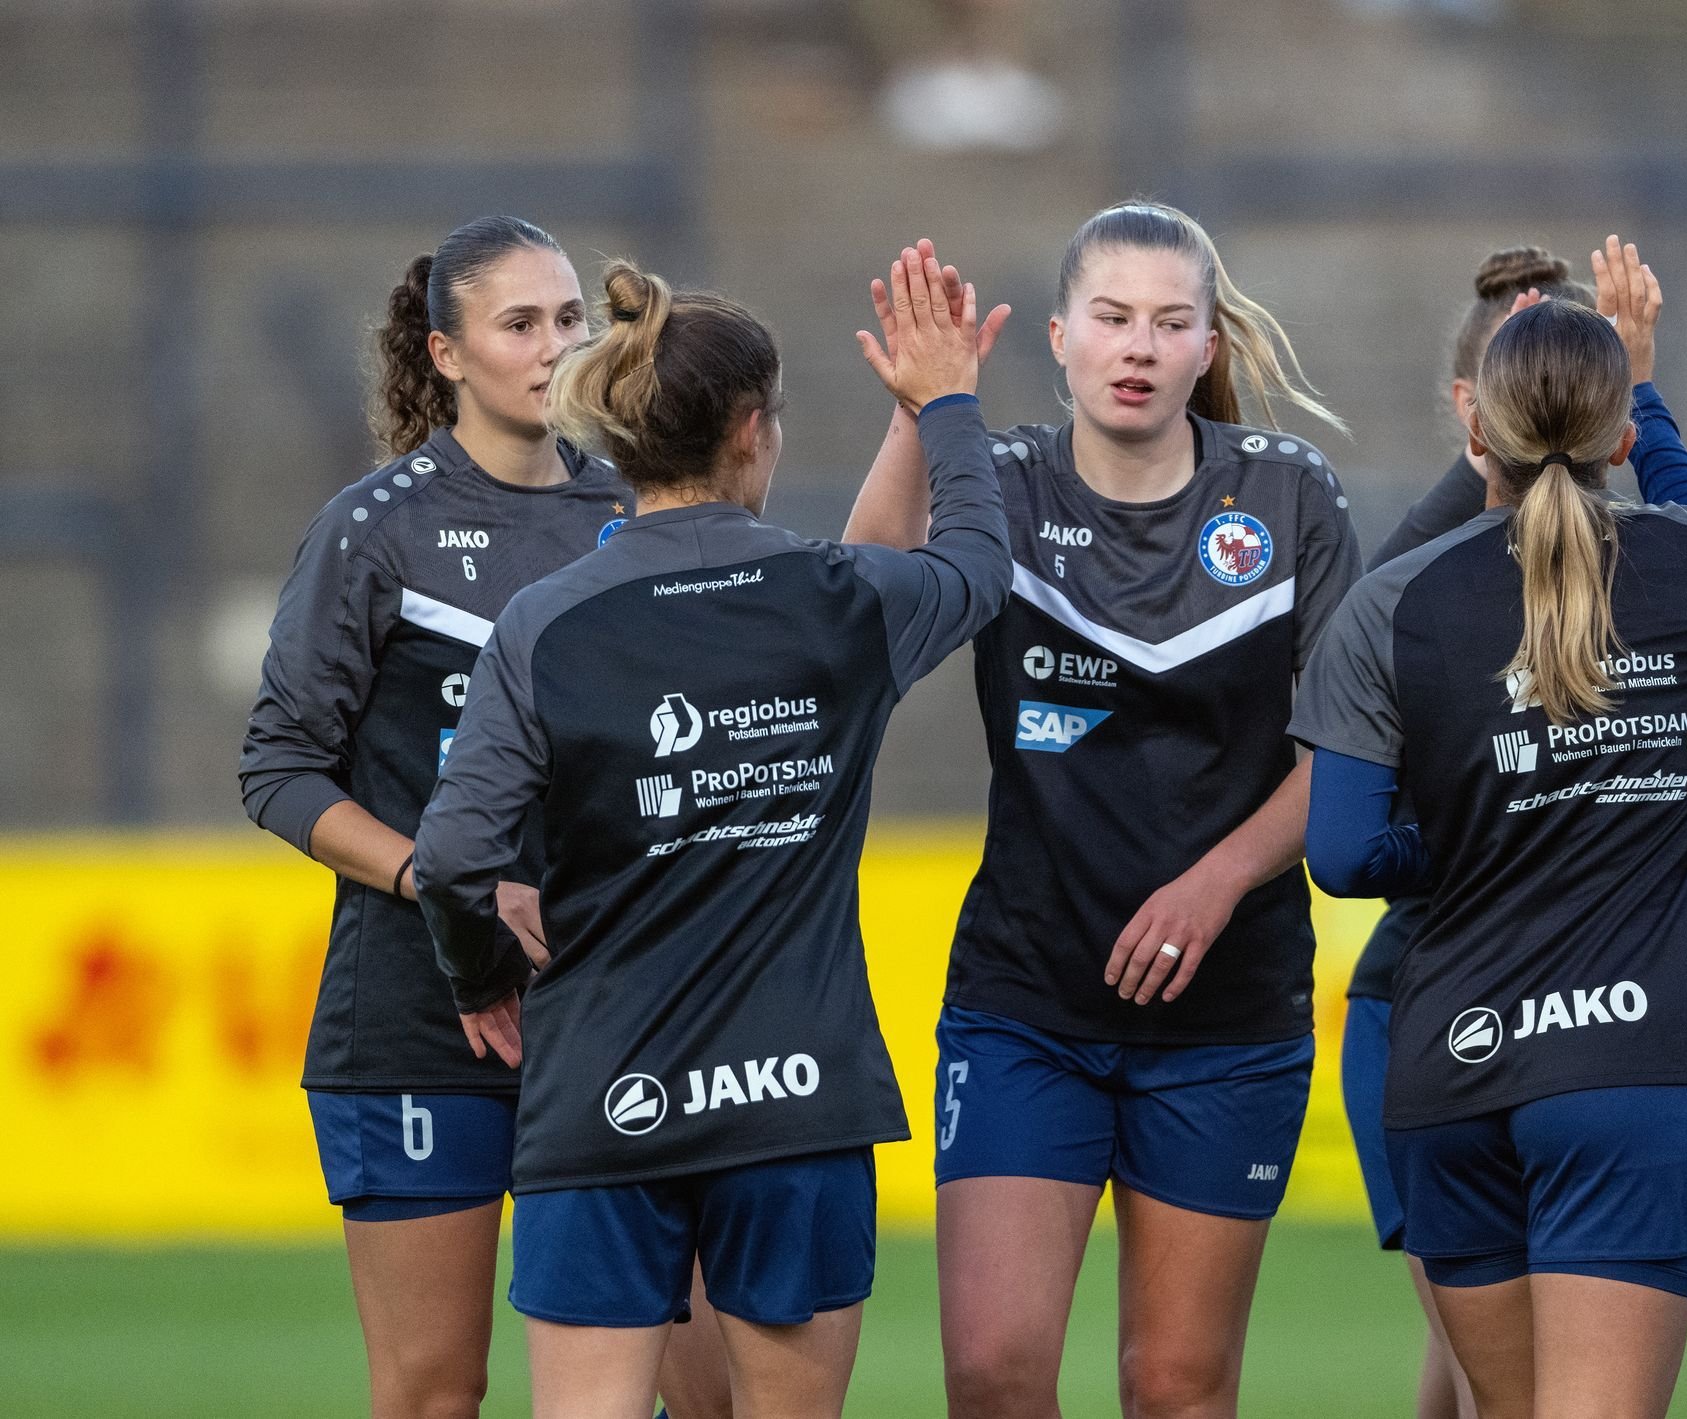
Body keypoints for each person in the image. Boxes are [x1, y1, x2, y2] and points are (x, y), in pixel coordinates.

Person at [410, 252, 1008, 1419]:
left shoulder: (545, 623)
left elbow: (450, 860)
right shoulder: (840, 602)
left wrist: (481, 974)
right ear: (750, 429)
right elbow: (977, 565)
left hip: (600, 1097)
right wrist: (944, 405)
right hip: (796, 1100)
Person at [844, 203, 1361, 1419]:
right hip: (1026, 1002)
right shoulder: (1001, 481)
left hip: (1227, 1014)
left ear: (1205, 346)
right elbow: (856, 609)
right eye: (1113, 319)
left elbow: (1353, 747)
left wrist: (1217, 878)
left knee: (1176, 1387)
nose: (1138, 345)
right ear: (1063, 339)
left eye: (1169, 323)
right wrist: (927, 406)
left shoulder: (1289, 498)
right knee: (991, 1373)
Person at [1340, 241, 1687, 1419]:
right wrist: (1641, 386)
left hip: (1449, 1054)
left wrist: (1473, 832)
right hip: (1627, 1057)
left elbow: (1345, 855)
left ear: (1472, 435)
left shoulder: (1394, 603)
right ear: (1615, 440)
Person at [239, 215, 631, 1419]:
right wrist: (447, 881)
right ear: (447, 353)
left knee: (682, 1383)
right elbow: (280, 769)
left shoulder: (635, 509)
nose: (556, 346)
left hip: (613, 1007)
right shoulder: (375, 527)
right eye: (520, 323)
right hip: (418, 1016)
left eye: (571, 319)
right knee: (431, 1390)